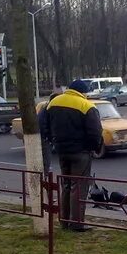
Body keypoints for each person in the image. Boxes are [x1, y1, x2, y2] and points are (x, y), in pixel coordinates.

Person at [40, 80, 102, 231]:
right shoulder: (86, 105)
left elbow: (43, 124)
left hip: (61, 151)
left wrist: (53, 140)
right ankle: (77, 223)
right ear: (83, 92)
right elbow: (95, 132)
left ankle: (64, 220)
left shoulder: (53, 102)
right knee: (79, 187)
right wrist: (93, 148)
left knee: (66, 185)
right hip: (81, 152)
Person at [36, 92, 61, 173]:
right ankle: (44, 177)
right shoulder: (49, 109)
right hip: (45, 138)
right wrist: (49, 138)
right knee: (46, 160)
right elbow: (44, 125)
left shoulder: (46, 108)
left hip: (43, 137)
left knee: (45, 159)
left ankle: (44, 176)